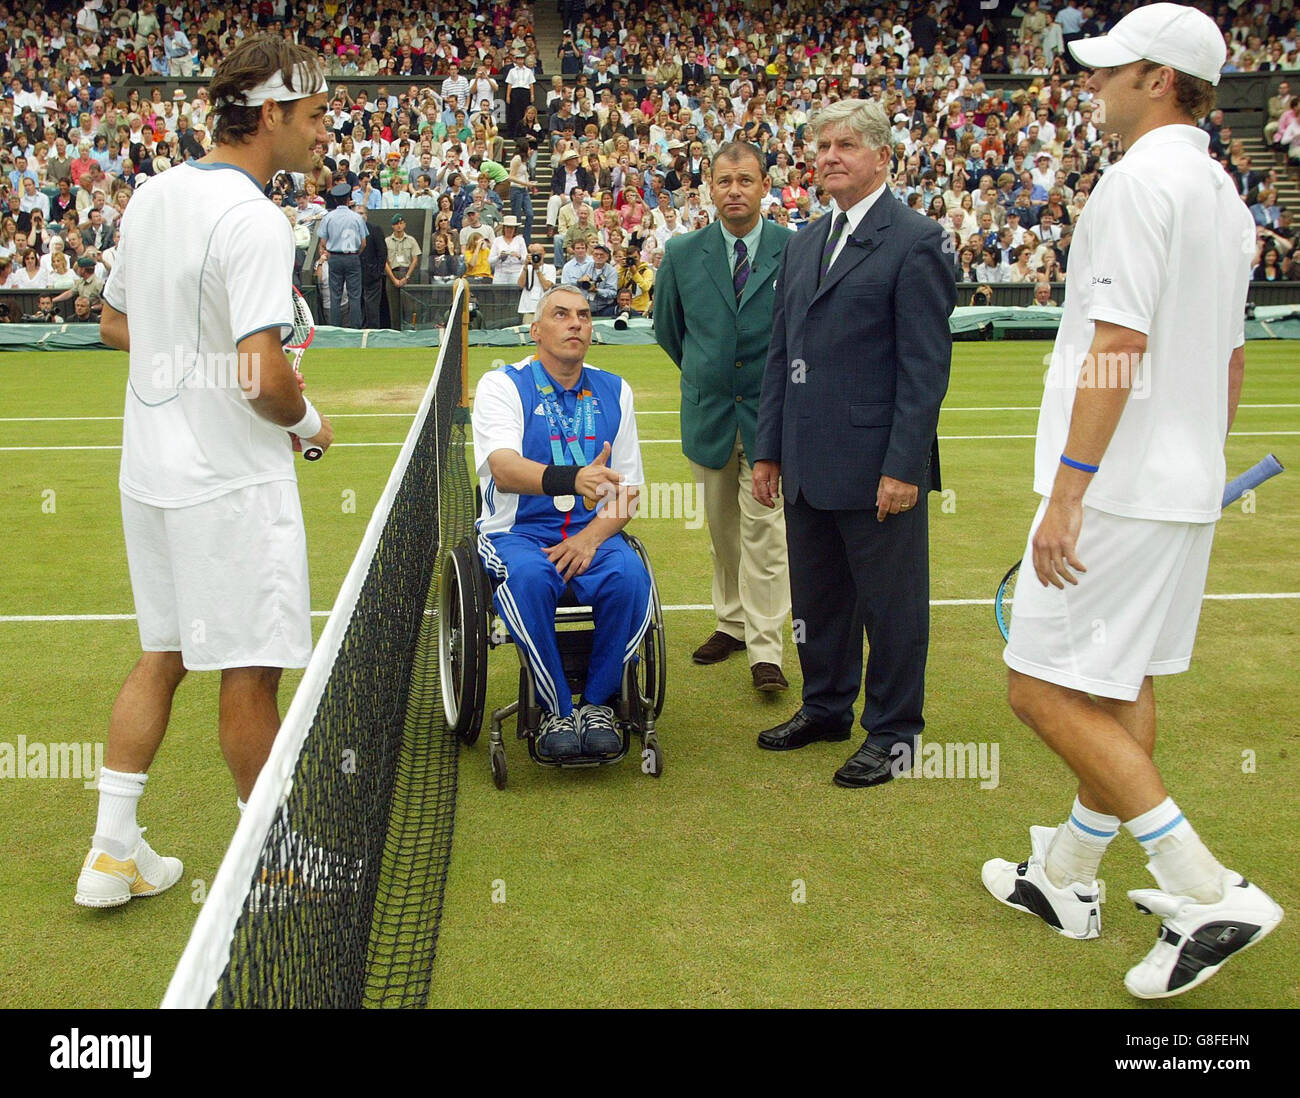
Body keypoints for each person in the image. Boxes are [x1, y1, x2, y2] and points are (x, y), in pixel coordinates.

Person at [983, 3, 1283, 1000]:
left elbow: (1118, 348)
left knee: (1035, 688)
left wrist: (1070, 494)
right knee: (1116, 688)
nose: (1092, 83)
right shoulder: (1223, 195)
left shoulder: (1134, 184)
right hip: (1176, 485)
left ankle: (1202, 889)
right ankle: (1067, 877)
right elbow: (1229, 361)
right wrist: (1194, 459)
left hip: (1116, 490)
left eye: (1110, 69)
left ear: (1158, 80)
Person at [76, 35, 334, 909]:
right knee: (250, 670)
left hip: (150, 477)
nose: (326, 131)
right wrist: (306, 422)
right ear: (269, 116)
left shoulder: (151, 197)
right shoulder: (257, 217)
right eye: (315, 115)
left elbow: (116, 325)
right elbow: (265, 375)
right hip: (228, 484)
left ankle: (112, 854)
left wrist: (192, 363)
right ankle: (278, 864)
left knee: (163, 654)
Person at [752, 98, 955, 787]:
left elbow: (924, 371)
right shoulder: (806, 238)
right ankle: (827, 707)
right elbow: (782, 351)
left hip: (878, 470)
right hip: (807, 464)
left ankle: (894, 733)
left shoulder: (915, 239)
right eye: (820, 146)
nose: (829, 156)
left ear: (881, 156)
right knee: (818, 602)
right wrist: (768, 448)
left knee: (891, 607)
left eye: (844, 145)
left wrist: (905, 466)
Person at [472, 285, 651, 760]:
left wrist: (592, 537)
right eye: (561, 314)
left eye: (585, 316)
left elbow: (627, 491)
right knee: (528, 578)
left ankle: (597, 705)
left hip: (592, 534)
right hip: (518, 533)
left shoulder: (616, 389)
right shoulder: (503, 385)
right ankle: (555, 709)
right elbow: (505, 470)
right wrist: (574, 477)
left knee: (631, 577)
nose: (576, 323)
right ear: (535, 329)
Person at [655, 141, 793, 693]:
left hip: (771, 421)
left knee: (766, 535)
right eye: (724, 181)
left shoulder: (795, 248)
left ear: (765, 186)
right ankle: (731, 623)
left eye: (745, 180)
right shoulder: (683, 253)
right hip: (708, 418)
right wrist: (704, 373)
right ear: (710, 189)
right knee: (724, 533)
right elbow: (671, 330)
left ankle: (767, 650)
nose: (734, 191)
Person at [317, 181, 366, 328]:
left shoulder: (329, 217)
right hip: (352, 256)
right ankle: (356, 328)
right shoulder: (356, 217)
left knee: (335, 295)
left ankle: (335, 328)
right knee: (354, 296)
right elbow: (363, 243)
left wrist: (330, 252)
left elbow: (323, 242)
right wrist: (356, 253)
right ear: (348, 199)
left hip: (335, 257)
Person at [384, 213, 420, 330]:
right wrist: (394, 279)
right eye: (396, 224)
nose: (399, 226)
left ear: (404, 224)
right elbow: (385, 262)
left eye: (400, 223)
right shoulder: (387, 241)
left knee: (409, 307)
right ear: (392, 226)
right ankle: (395, 331)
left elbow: (415, 259)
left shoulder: (411, 240)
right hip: (392, 274)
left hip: (407, 273)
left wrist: (407, 276)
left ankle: (410, 330)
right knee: (393, 308)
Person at [517, 242, 557, 324]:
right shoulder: (526, 268)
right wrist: (525, 266)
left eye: (539, 254)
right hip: (528, 308)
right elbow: (520, 285)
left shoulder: (550, 268)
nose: (537, 256)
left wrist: (537, 269)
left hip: (544, 309)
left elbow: (546, 286)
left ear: (544, 254)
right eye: (534, 253)